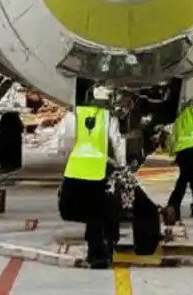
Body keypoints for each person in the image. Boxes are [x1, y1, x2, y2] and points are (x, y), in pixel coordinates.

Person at [57, 105, 124, 269]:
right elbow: (117, 142)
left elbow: (65, 142)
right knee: (97, 214)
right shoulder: (108, 117)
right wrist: (120, 164)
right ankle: (100, 252)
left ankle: (95, 251)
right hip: (97, 171)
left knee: (84, 212)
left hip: (76, 170)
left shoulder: (74, 115)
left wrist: (70, 158)